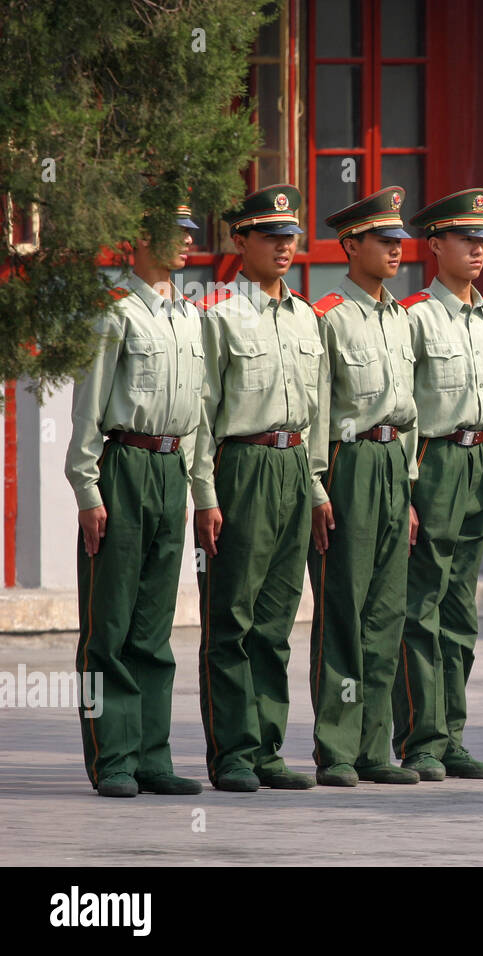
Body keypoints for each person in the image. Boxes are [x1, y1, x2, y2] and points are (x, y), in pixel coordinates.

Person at [64, 197, 206, 798]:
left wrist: (203, 491)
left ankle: (152, 754)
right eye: (171, 232)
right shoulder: (114, 313)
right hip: (122, 466)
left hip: (171, 468)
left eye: (189, 232)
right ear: (137, 239)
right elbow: (88, 409)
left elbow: (197, 413)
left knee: (154, 626)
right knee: (111, 623)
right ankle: (113, 757)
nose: (185, 242)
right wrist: (88, 490)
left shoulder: (189, 317)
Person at [190, 184, 321, 792]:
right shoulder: (219, 316)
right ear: (239, 240)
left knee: (276, 619)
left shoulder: (305, 316)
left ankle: (268, 747)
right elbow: (202, 413)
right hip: (241, 467)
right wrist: (206, 494)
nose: (284, 246)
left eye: (290, 236)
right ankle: (233, 753)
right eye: (271, 236)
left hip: (293, 466)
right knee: (232, 616)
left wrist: (317, 489)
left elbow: (317, 415)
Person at [391, 188, 483, 781]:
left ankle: (453, 734)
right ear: (435, 244)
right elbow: (406, 407)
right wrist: (409, 488)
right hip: (432, 462)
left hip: (478, 458)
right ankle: (420, 739)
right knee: (422, 604)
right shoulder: (414, 316)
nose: (479, 250)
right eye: (467, 239)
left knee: (462, 607)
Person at [308, 186, 420, 786]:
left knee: (385, 615)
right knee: (343, 612)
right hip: (348, 463)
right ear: (352, 245)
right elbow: (315, 410)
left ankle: (378, 747)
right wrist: (317, 487)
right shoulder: (328, 316)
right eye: (384, 240)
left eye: (399, 240)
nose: (397, 250)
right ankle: (338, 747)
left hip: (390, 464)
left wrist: (409, 484)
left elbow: (412, 410)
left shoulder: (400, 319)